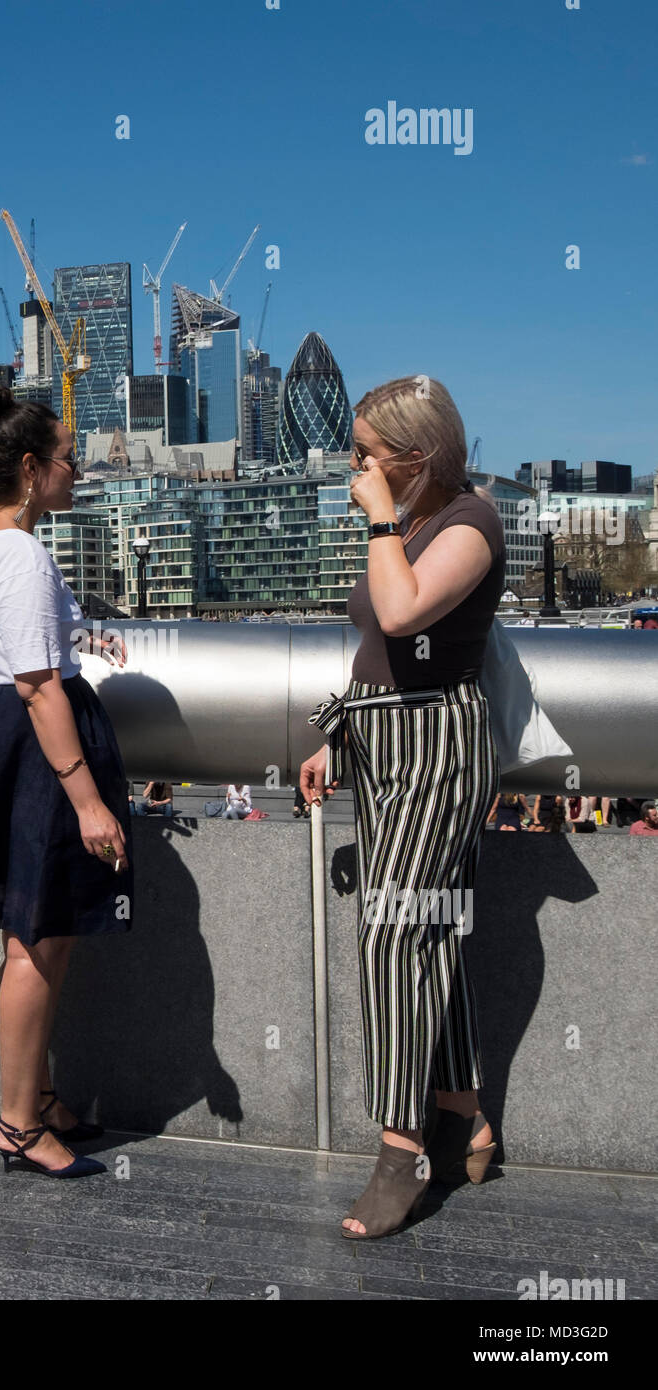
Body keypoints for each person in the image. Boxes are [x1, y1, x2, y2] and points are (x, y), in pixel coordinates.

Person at [299, 377, 502, 1239]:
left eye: (367, 455)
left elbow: (403, 607)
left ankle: (400, 1150)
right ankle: (461, 1114)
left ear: (419, 454)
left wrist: (380, 514)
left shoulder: (470, 522)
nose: (354, 469)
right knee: (429, 927)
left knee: (391, 929)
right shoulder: (414, 523)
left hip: (437, 748)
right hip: (381, 745)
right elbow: (378, 643)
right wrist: (334, 736)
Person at [0, 381, 134, 1180]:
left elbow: (23, 645)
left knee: (33, 934)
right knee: (37, 941)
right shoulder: (24, 555)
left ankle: (35, 1096)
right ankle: (16, 1123)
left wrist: (86, 632)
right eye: (72, 460)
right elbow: (40, 685)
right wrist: (87, 801)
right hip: (32, 749)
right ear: (35, 469)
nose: (81, 473)